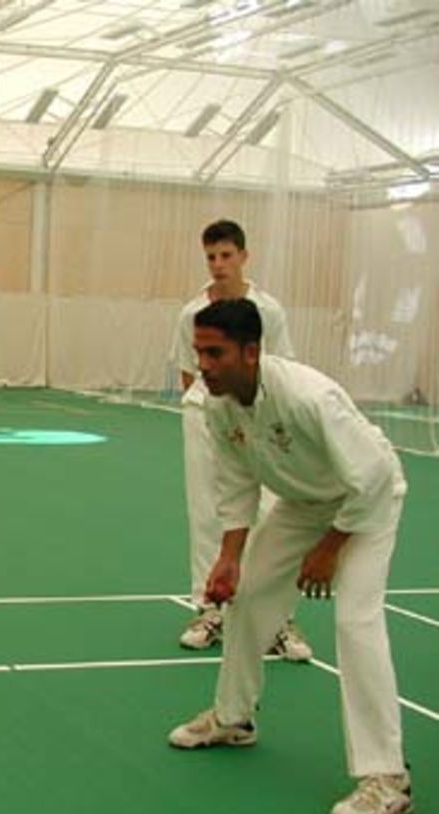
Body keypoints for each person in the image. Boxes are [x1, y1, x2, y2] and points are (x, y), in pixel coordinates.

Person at [168, 298, 411, 814]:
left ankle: (388, 777)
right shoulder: (219, 404)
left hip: (365, 504)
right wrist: (229, 559)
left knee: (355, 619)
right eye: (198, 352)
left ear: (251, 352)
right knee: (250, 596)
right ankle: (233, 719)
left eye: (215, 353)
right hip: (303, 503)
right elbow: (235, 487)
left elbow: (369, 478)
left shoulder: (309, 396)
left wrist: (328, 550)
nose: (202, 366)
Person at [170, 220, 311, 660]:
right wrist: (209, 405)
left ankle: (278, 620)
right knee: (208, 510)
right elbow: (188, 371)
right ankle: (209, 610)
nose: (218, 265)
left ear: (243, 256)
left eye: (226, 255)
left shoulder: (268, 311)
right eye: (211, 256)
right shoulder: (190, 313)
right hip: (205, 417)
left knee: (272, 514)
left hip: (262, 422)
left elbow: (281, 367)